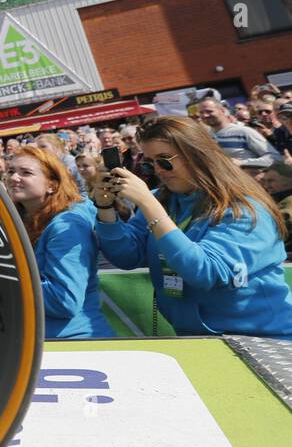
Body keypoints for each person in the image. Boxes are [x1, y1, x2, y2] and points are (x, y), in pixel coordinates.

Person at [93, 116, 292, 339]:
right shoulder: (163, 199)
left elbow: (206, 272)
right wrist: (105, 208)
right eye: (149, 163)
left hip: (263, 338)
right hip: (196, 337)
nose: (158, 171)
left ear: (197, 155)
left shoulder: (244, 209)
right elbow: (127, 256)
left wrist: (149, 205)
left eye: (165, 160)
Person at [6, 146, 112, 339]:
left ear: (52, 185)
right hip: (37, 342)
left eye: (26, 173)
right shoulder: (21, 220)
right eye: (11, 171)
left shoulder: (67, 226)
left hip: (74, 345)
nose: (13, 178)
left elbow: (63, 301)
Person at [197, 98, 275, 164]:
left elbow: (274, 157)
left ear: (222, 110)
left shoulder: (243, 132)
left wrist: (243, 163)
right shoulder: (205, 138)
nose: (205, 115)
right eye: (201, 113)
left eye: (209, 111)